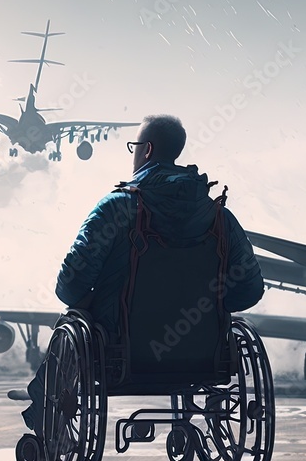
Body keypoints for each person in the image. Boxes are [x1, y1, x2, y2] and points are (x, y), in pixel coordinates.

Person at [20, 114, 264, 433]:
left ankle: (43, 412)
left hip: (122, 353)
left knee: (72, 316)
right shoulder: (220, 216)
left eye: (134, 147)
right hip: (203, 352)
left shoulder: (117, 207)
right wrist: (206, 304)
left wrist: (95, 304)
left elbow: (68, 286)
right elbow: (250, 290)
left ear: (146, 150)